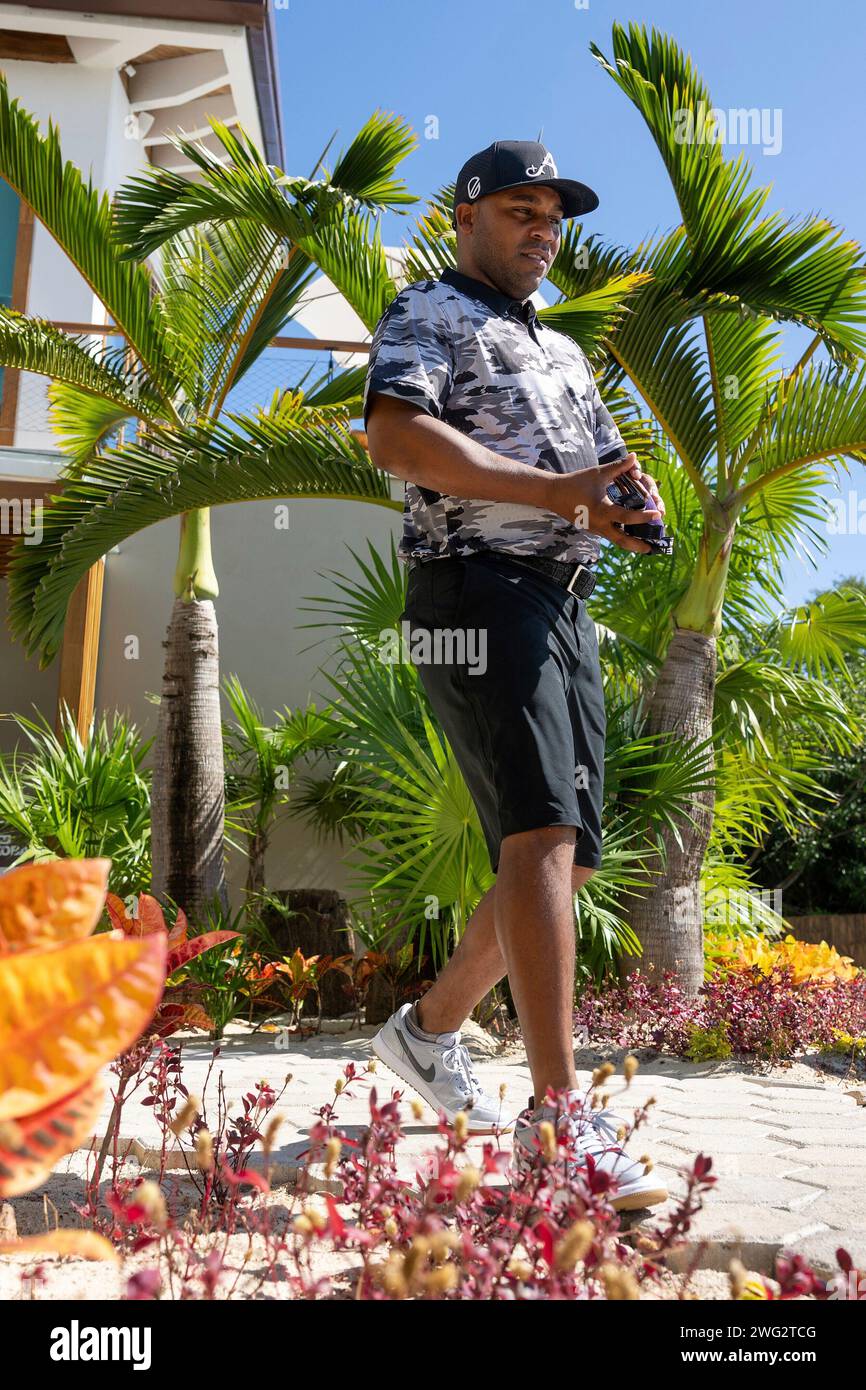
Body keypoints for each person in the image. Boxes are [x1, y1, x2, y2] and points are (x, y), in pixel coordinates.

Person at [364, 141, 668, 1210]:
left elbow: (599, 464)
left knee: (567, 858)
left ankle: (428, 1030)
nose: (541, 229)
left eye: (552, 216)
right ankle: (557, 1118)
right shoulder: (428, 312)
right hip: (471, 587)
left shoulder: (559, 350)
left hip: (560, 604)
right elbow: (396, 438)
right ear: (465, 216)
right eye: (518, 210)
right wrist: (558, 497)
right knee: (536, 834)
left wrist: (627, 506)